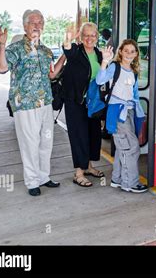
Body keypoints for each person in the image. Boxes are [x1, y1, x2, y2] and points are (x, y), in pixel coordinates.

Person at [0, 9, 65, 196]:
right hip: (25, 104)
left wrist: (65, 55)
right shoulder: (16, 48)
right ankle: (32, 181)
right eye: (33, 22)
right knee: (30, 143)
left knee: (46, 141)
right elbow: (1, 68)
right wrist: (1, 45)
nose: (37, 25)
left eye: (40, 22)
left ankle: (44, 177)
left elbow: (52, 74)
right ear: (25, 26)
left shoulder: (45, 50)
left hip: (45, 103)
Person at [96, 39, 147, 193]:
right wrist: (105, 61)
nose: (129, 54)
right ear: (120, 52)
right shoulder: (114, 67)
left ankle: (117, 179)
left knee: (122, 148)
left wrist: (138, 112)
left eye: (132, 51)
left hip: (130, 112)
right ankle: (130, 183)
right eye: (126, 51)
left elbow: (135, 94)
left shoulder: (133, 71)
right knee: (131, 147)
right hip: (118, 112)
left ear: (136, 53)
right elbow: (100, 80)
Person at [62, 22, 105, 187]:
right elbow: (68, 49)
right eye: (86, 35)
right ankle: (78, 173)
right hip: (75, 101)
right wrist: (68, 39)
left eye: (92, 35)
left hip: (93, 103)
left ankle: (88, 167)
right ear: (80, 37)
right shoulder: (76, 52)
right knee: (79, 136)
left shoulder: (99, 54)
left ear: (97, 37)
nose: (89, 38)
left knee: (93, 134)